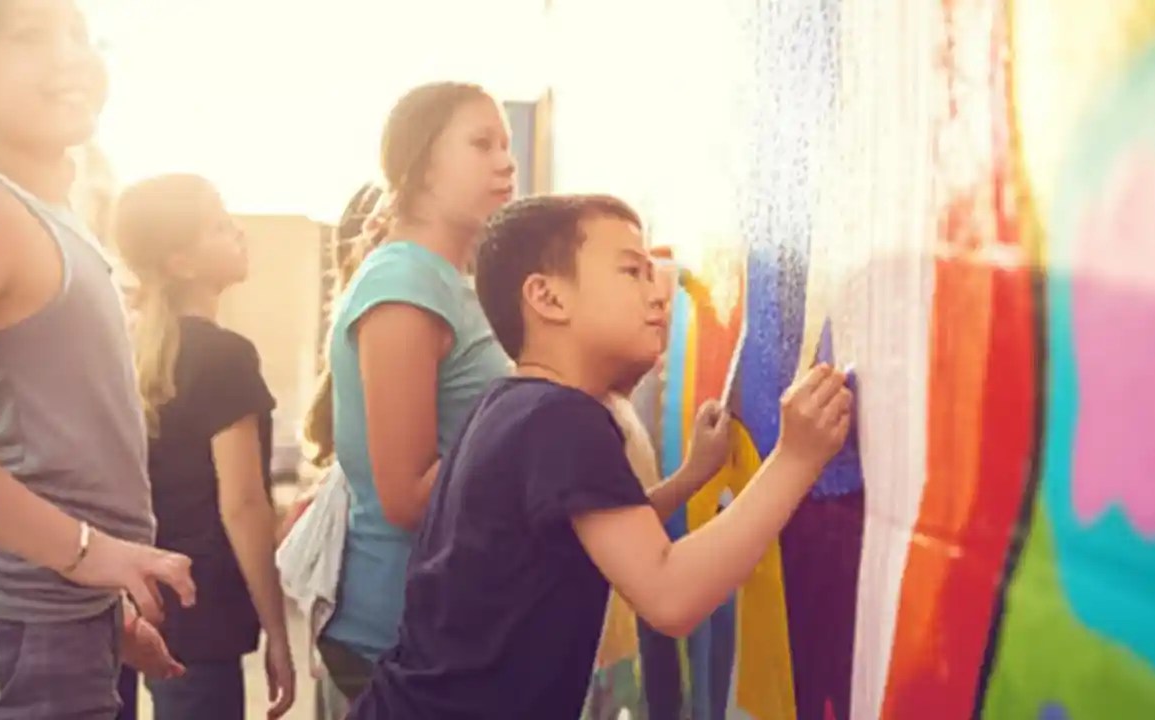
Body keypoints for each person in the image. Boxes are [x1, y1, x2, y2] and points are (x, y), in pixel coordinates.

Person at [348, 194, 853, 719]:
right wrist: (795, 459)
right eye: (631, 271)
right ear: (547, 297)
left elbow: (590, 537)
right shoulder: (562, 420)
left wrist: (691, 477)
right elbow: (670, 596)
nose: (658, 294)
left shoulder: (507, 407)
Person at [0, 1, 195, 717]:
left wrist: (99, 603)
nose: (71, 56)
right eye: (30, 37)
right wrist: (86, 553)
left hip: (44, 620)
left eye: (76, 32)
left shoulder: (46, 217)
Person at [318, 82, 516, 701]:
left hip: (451, 629)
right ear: (422, 163)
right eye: (482, 144)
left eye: (507, 145)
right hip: (400, 640)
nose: (507, 163)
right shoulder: (405, 279)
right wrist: (544, 398)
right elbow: (405, 495)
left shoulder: (448, 281)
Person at [113, 174, 296, 720]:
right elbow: (241, 504)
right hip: (200, 607)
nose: (238, 232)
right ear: (180, 263)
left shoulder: (130, 351)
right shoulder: (223, 355)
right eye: (218, 225)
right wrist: (278, 634)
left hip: (128, 594)